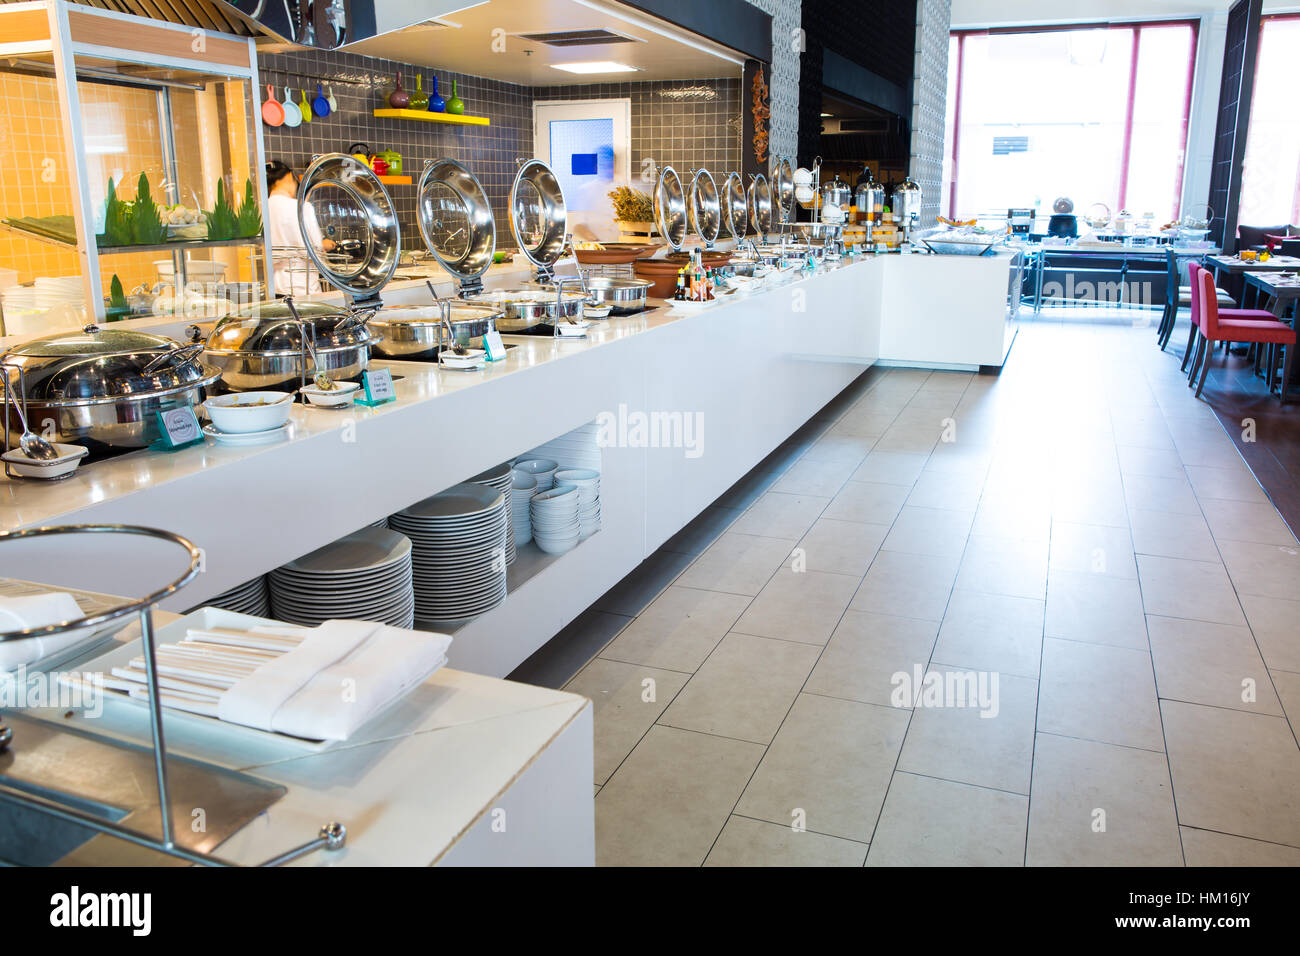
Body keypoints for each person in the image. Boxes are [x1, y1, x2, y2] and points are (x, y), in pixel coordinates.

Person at [265, 160, 335, 297]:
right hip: (303, 286)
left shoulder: (264, 208)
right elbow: (315, 249)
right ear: (288, 177)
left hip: (275, 286)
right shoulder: (302, 207)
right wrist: (325, 245)